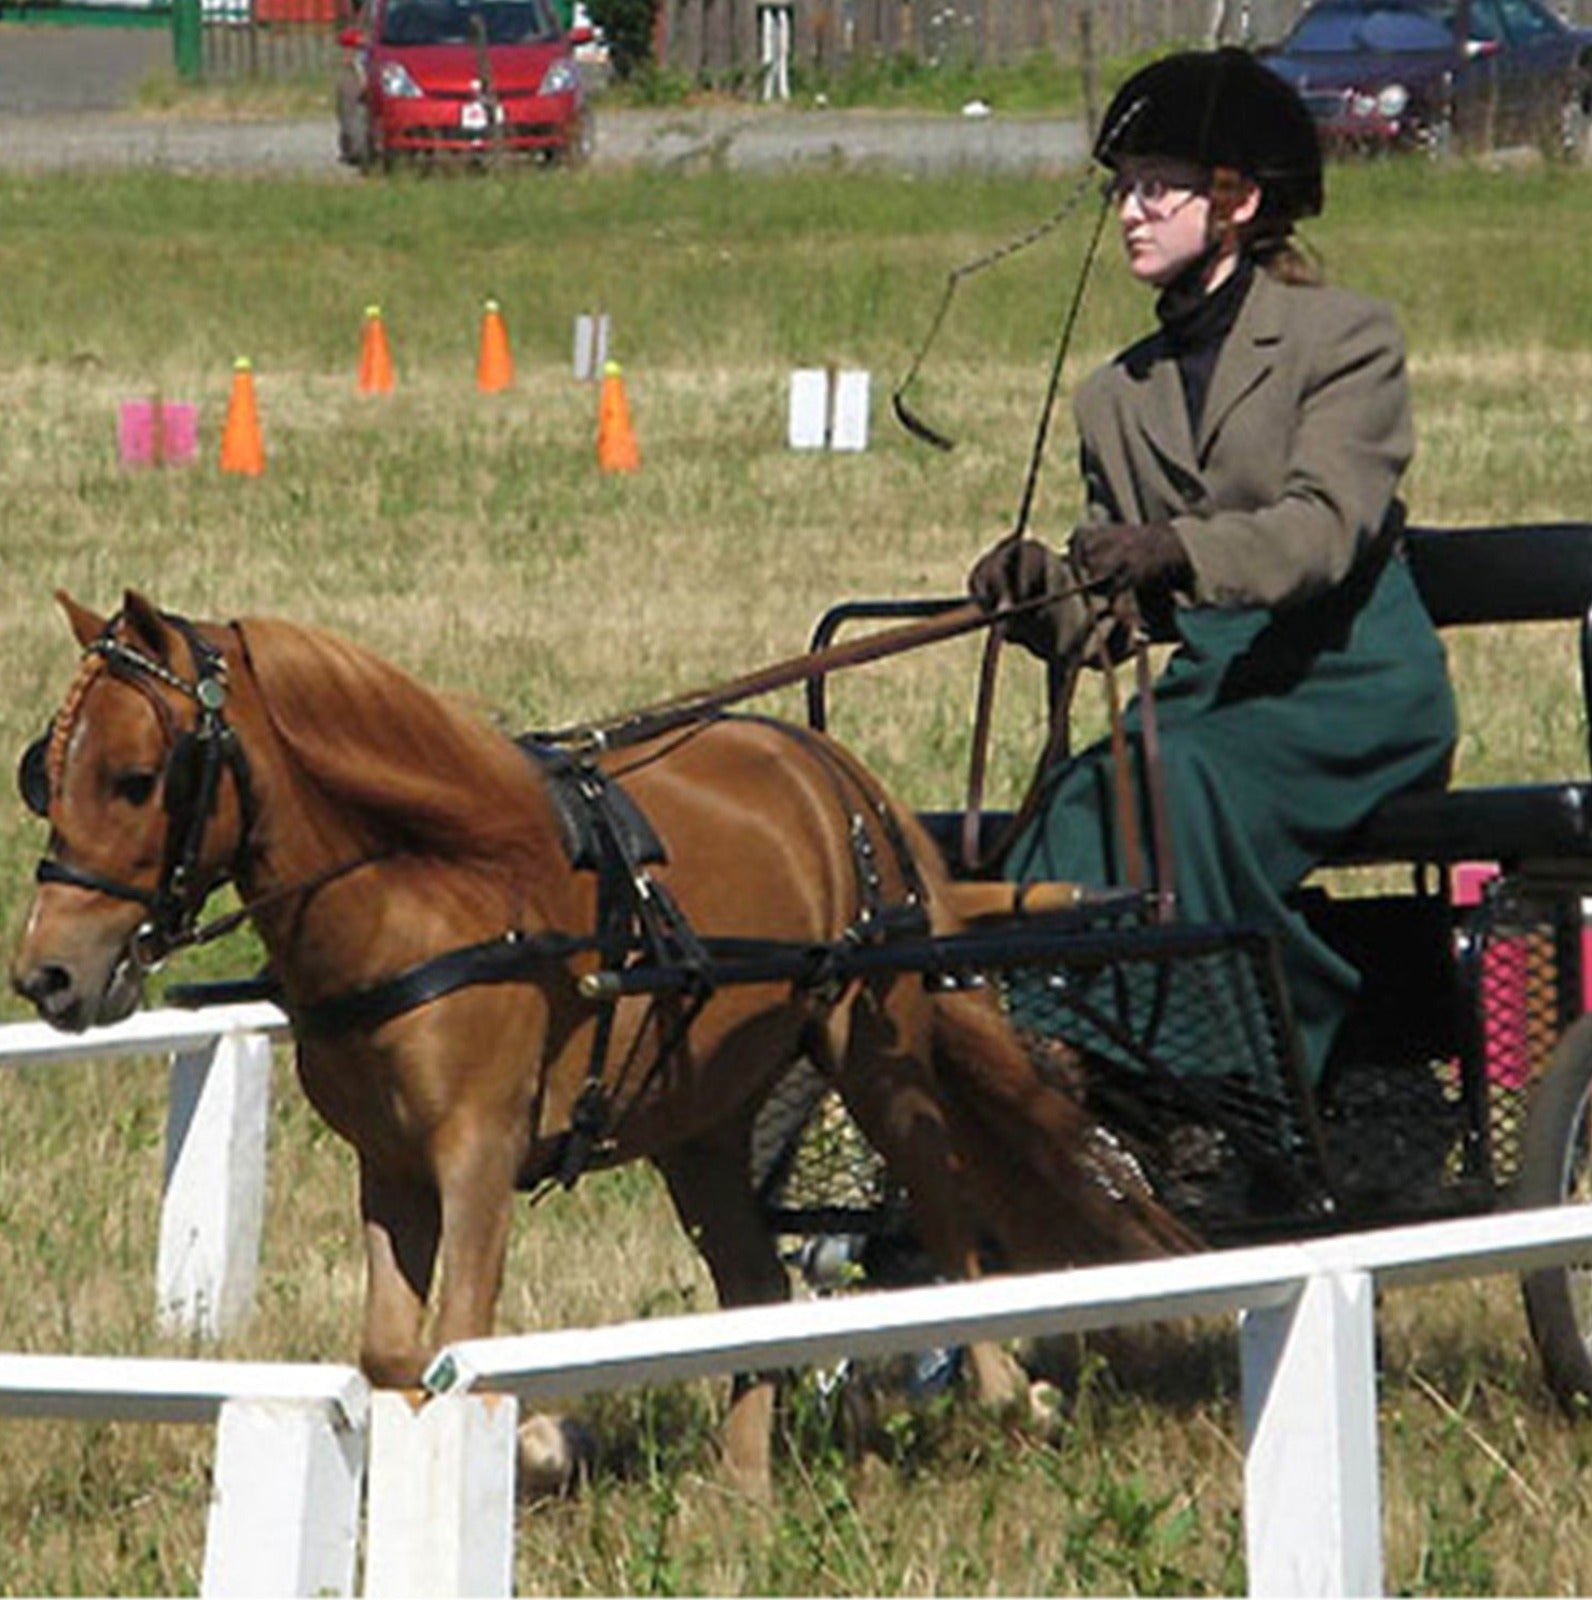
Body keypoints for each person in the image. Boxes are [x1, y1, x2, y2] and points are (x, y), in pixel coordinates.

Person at [966, 47, 1457, 1084]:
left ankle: (1255, 1066)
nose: (1130, 212)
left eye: (1156, 186)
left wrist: (1175, 548)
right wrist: (1035, 598)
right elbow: (1117, 624)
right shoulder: (1115, 396)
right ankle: (1056, 1059)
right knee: (1073, 792)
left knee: (1165, 773)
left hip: (1348, 692)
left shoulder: (1343, 339)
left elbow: (1322, 528)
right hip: (1211, 699)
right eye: (1122, 188)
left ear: (1232, 200)